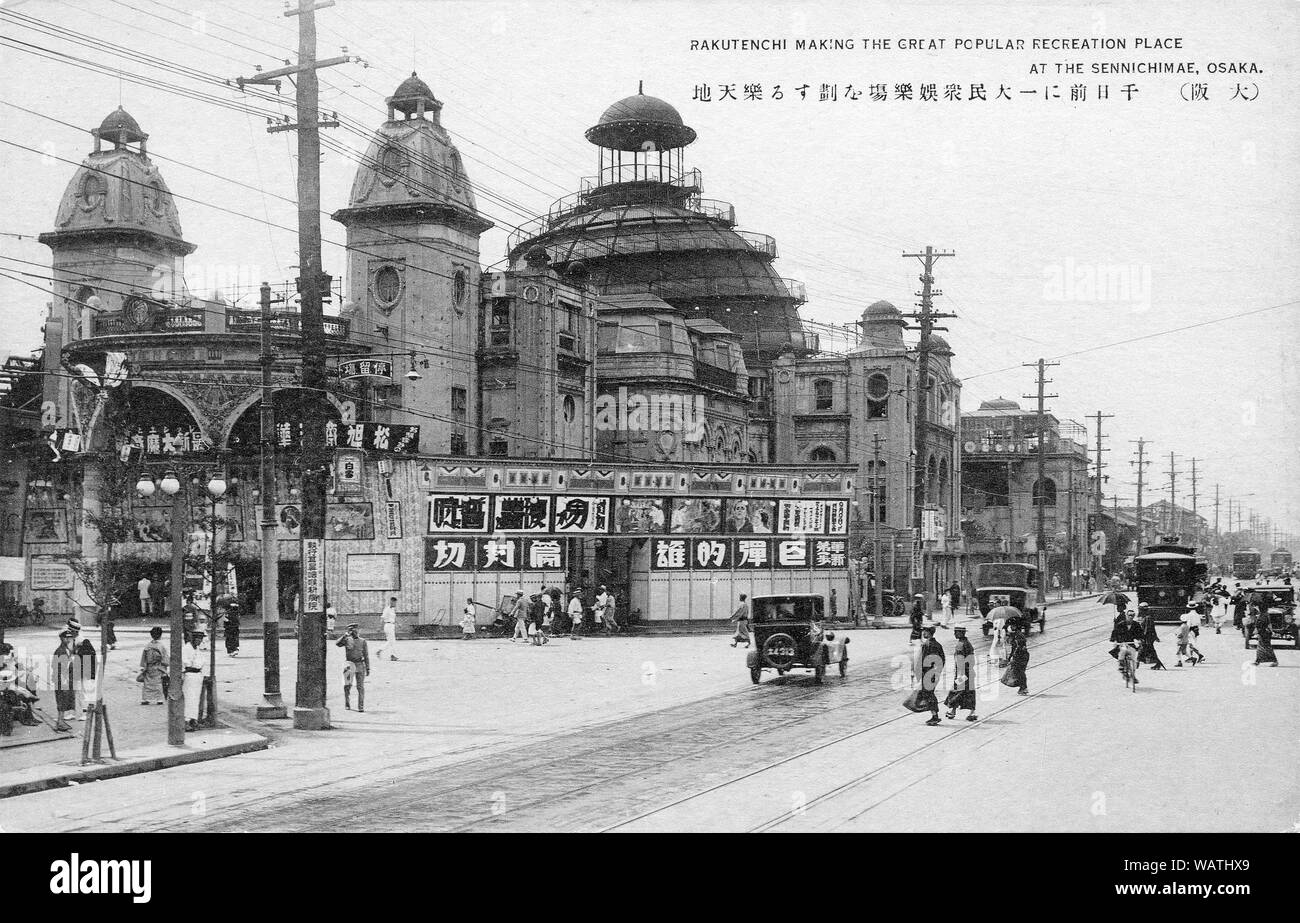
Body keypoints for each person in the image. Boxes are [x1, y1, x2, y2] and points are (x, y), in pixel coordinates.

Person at [944, 625, 978, 721]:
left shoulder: (960, 645)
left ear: (961, 633)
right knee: (968, 692)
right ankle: (971, 712)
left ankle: (952, 711)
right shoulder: (968, 643)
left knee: (956, 691)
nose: (954, 634)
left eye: (956, 632)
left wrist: (960, 675)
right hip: (969, 672)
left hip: (962, 673)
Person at [915, 627, 946, 725]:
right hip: (935, 673)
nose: (923, 633)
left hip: (927, 673)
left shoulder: (926, 645)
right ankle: (934, 714)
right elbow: (942, 660)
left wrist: (919, 674)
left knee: (928, 694)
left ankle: (935, 716)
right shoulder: (938, 645)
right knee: (929, 693)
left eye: (925, 631)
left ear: (928, 633)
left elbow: (922, 661)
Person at [336, 623, 369, 711]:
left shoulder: (363, 641)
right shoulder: (347, 639)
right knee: (347, 685)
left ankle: (361, 706)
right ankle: (347, 704)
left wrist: (368, 668)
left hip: (360, 665)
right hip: (349, 664)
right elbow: (337, 644)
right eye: (352, 630)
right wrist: (345, 635)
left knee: (360, 687)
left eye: (356, 629)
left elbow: (366, 655)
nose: (354, 631)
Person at [52, 629, 78, 731]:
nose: (68, 640)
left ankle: (61, 721)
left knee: (65, 700)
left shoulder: (68, 649)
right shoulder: (60, 651)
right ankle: (60, 722)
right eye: (66, 638)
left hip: (67, 679)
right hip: (62, 679)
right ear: (61, 639)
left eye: (69, 638)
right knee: (61, 700)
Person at [182, 629, 207, 731]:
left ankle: (193, 719)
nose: (199, 641)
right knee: (189, 698)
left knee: (195, 699)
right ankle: (186, 721)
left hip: (197, 675)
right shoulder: (186, 649)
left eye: (200, 639)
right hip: (189, 675)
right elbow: (186, 663)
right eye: (197, 639)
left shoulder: (197, 649)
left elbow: (200, 662)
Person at [138, 626, 168, 705]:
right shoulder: (161, 646)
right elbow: (165, 657)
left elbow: (144, 657)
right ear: (160, 635)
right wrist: (165, 665)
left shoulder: (148, 646)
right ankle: (159, 699)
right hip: (158, 666)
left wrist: (144, 666)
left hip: (149, 666)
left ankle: (146, 698)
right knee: (158, 683)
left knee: (147, 683)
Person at [1000, 623, 1030, 695]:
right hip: (1020, 656)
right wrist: (1010, 657)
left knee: (1019, 672)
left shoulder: (1018, 636)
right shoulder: (1016, 635)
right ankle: (1022, 687)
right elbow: (1014, 648)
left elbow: (1018, 648)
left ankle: (1023, 688)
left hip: (1020, 656)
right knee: (1018, 672)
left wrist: (1013, 657)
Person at [377, 596, 399, 661]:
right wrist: (379, 627)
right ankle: (392, 655)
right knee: (392, 641)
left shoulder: (393, 609)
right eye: (394, 602)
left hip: (392, 625)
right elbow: (382, 618)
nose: (395, 604)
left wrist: (398, 623)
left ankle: (380, 650)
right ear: (391, 602)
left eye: (395, 602)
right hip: (388, 625)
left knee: (391, 641)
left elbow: (394, 618)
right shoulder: (387, 609)